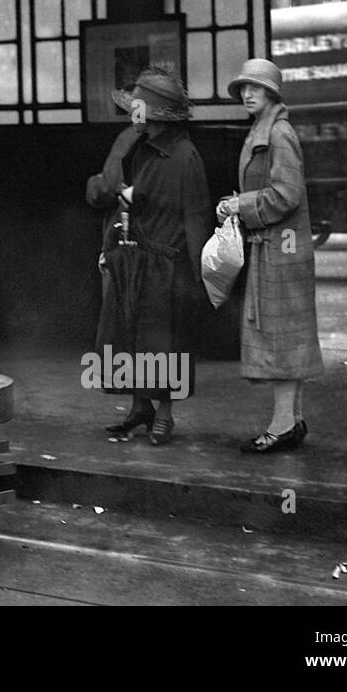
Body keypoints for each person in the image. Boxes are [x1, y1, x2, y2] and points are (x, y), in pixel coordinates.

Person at [85, 66, 211, 446]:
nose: (131, 115)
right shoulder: (140, 149)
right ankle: (141, 408)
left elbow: (195, 214)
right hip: (134, 258)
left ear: (153, 115)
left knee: (164, 343)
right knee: (132, 336)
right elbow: (124, 202)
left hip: (168, 263)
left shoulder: (185, 156)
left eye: (137, 109)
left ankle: (166, 413)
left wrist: (198, 271)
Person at [216, 58, 323, 454]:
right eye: (244, 88)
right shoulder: (264, 130)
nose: (247, 93)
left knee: (280, 339)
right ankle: (291, 421)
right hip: (276, 248)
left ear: (271, 94)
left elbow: (286, 194)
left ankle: (280, 426)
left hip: (282, 251)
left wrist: (239, 205)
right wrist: (239, 204)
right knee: (283, 336)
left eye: (255, 88)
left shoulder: (279, 134)